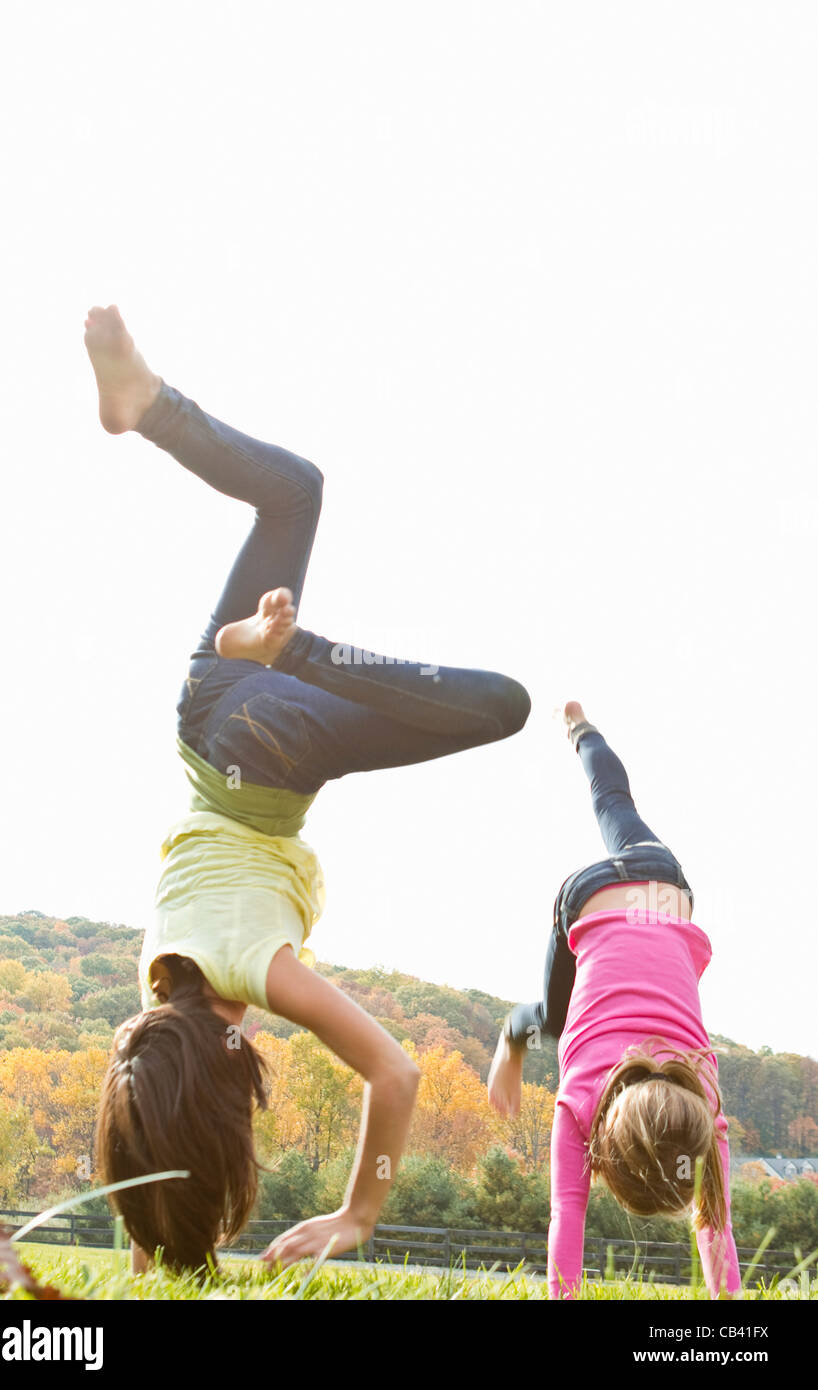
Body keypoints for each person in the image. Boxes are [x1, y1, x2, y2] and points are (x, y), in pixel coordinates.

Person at [86, 305, 531, 1275]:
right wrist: (156, 1249)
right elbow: (146, 1113)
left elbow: (395, 1071)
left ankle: (296, 647)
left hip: (268, 747)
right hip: (206, 703)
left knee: (501, 706)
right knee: (292, 495)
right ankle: (146, 406)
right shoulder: (157, 983)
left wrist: (355, 1213)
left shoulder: (247, 969)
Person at [487, 702, 740, 1299]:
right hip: (588, 901)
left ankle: (582, 730)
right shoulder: (577, 1106)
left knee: (613, 803)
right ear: (601, 1158)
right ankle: (511, 1036)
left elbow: (714, 1224)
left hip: (661, 885)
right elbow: (565, 1218)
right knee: (548, 1023)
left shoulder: (705, 1100)